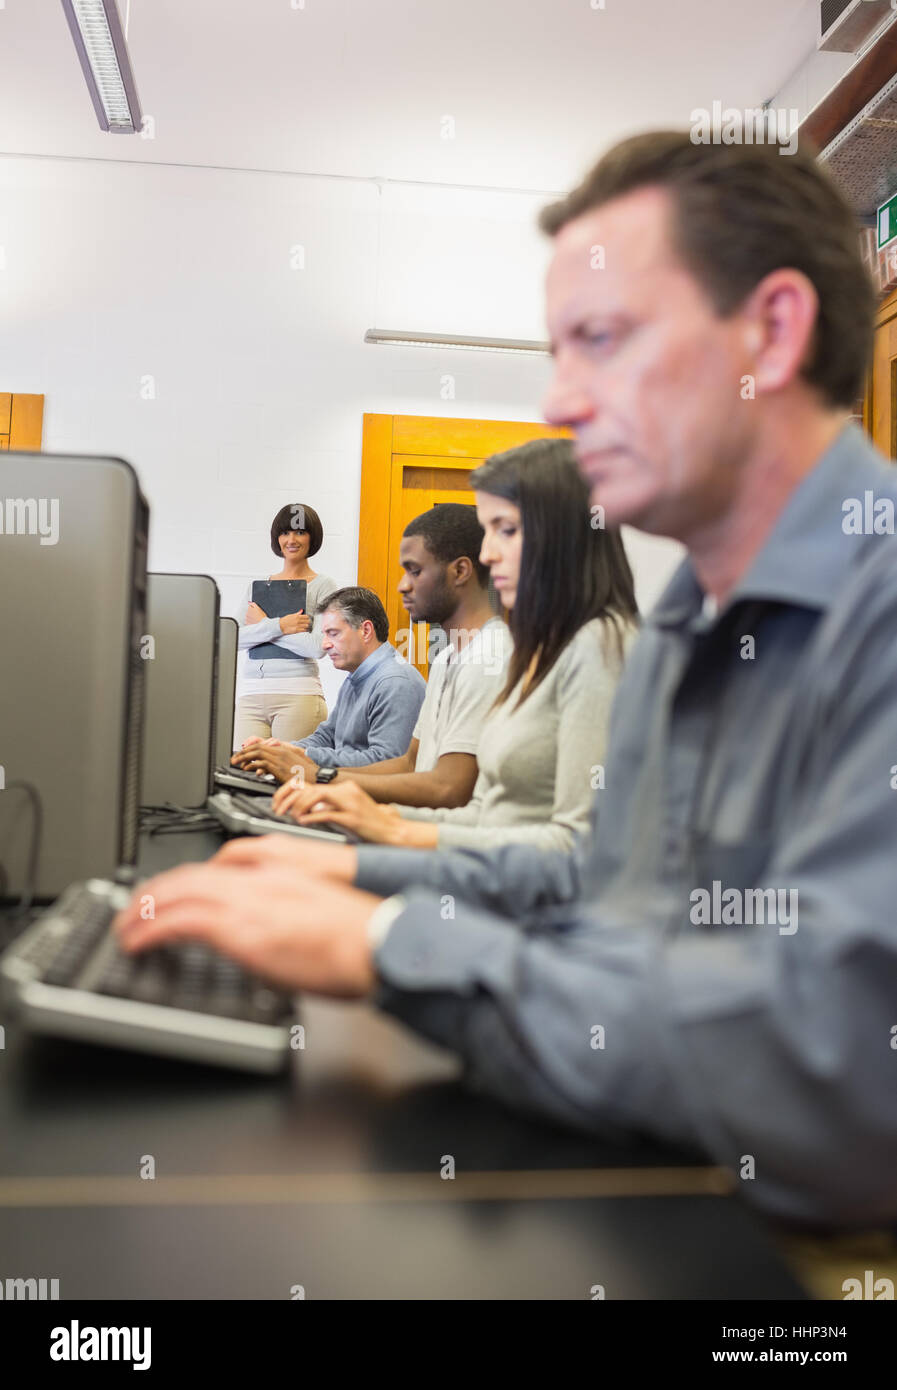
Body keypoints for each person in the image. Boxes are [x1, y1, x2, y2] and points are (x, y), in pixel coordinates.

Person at [117, 132, 897, 1227]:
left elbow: (836, 1078)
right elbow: (604, 897)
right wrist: (352, 887)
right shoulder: (691, 618)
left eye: (602, 341)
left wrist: (393, 947)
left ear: (769, 332)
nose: (563, 402)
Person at [274, 439, 638, 851]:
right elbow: (483, 813)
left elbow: (576, 847)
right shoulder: (536, 650)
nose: (488, 553)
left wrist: (361, 808)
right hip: (482, 864)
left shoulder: (595, 647)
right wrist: (353, 807)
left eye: (507, 530)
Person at [236, 502, 513, 808]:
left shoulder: (482, 659)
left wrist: (311, 772)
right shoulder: (447, 659)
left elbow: (444, 790)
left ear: (460, 571)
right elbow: (407, 764)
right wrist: (293, 758)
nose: (403, 585)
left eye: (415, 571)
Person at [230, 587, 425, 779]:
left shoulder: (396, 683)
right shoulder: (356, 677)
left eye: (333, 633)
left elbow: (386, 764)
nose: (325, 644)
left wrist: (300, 756)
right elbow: (327, 737)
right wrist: (280, 749)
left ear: (366, 630)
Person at [233, 503, 338, 746]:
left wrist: (261, 625)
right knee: (244, 772)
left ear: (312, 537)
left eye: (300, 532)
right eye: (285, 532)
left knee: (290, 775)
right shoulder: (257, 587)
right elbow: (234, 638)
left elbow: (316, 647)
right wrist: (280, 625)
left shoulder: (324, 585)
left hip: (298, 695)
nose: (291, 539)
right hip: (251, 696)